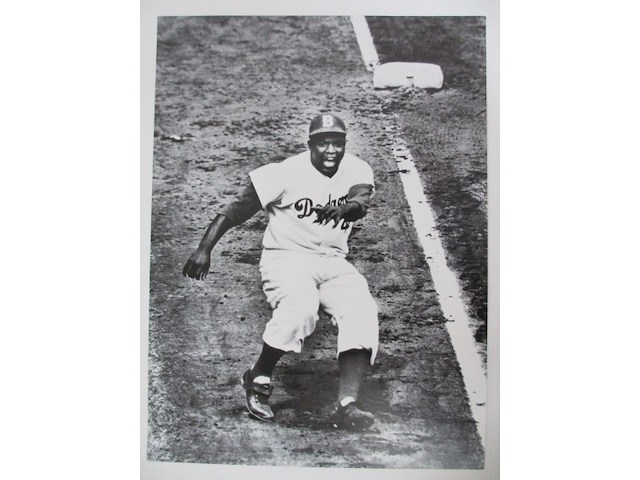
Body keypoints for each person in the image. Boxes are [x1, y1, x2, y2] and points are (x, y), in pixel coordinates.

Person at [183, 113, 379, 431]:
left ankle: (347, 404)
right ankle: (258, 376)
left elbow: (361, 199)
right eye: (323, 143)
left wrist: (347, 209)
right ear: (310, 144)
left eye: (338, 143)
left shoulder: (358, 168)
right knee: (301, 309)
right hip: (286, 258)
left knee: (362, 309)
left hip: (332, 260)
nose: (331, 150)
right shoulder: (284, 173)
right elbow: (234, 210)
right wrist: (204, 249)